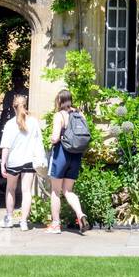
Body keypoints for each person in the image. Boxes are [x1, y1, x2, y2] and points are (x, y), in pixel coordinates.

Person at [0, 92, 44, 231]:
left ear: (13, 107)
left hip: (14, 161)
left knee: (10, 189)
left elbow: (6, 146)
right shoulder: (34, 122)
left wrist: (2, 163)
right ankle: (24, 222)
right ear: (26, 106)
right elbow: (38, 142)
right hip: (29, 160)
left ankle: (9, 218)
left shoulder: (10, 124)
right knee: (26, 192)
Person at [48, 89, 89, 234]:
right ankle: (80, 214)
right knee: (68, 190)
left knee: (55, 191)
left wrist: (50, 140)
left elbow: (55, 137)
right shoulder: (80, 114)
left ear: (59, 100)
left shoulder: (59, 115)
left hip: (61, 154)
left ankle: (55, 224)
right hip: (76, 155)